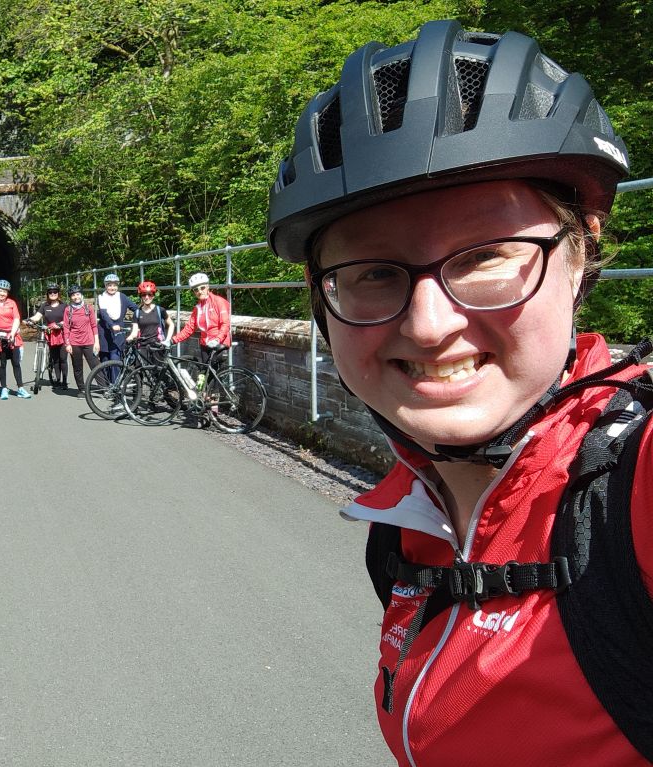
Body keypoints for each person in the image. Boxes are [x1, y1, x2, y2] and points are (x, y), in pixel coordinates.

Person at [266, 20, 649, 766]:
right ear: (321, 298)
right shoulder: (406, 525)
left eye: (485, 257)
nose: (431, 324)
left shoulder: (632, 493)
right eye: (374, 272)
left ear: (582, 255)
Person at [0, 279, 32, 399]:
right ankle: (3, 388)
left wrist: (13, 333)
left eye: (4, 291)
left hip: (11, 335)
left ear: (7, 293)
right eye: (0, 291)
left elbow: (17, 319)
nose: (2, 293)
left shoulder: (12, 303)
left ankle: (20, 388)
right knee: (2, 364)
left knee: (16, 363)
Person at [170, 272, 231, 366]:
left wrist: (217, 340)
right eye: (196, 290)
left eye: (202, 288)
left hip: (219, 344)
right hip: (205, 345)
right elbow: (189, 329)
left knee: (212, 374)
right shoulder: (198, 308)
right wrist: (172, 340)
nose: (199, 291)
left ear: (207, 287)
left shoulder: (219, 302)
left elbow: (225, 324)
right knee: (204, 375)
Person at [28, 283, 69, 389]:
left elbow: (68, 319)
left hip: (62, 334)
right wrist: (30, 320)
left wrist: (60, 324)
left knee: (63, 358)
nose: (53, 294)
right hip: (51, 334)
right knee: (55, 358)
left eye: (55, 292)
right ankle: (57, 381)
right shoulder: (44, 306)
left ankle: (64, 381)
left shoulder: (64, 305)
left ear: (58, 293)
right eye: (50, 292)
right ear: (47, 294)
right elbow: (37, 316)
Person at [62, 284, 100, 397]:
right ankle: (81, 389)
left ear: (81, 295)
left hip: (89, 341)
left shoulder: (88, 308)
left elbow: (94, 325)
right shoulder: (68, 310)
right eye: (73, 295)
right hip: (74, 343)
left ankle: (105, 387)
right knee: (77, 367)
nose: (76, 297)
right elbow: (66, 328)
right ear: (70, 297)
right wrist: (67, 344)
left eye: (77, 294)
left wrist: (96, 341)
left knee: (95, 365)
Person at [96, 273, 138, 372]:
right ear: (105, 286)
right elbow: (103, 314)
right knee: (105, 359)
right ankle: (106, 385)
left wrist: (140, 318)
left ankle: (116, 384)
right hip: (105, 331)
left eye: (115, 285)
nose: (112, 287)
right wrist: (112, 325)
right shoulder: (101, 297)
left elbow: (135, 308)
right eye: (109, 285)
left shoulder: (122, 296)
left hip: (118, 332)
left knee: (115, 358)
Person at [125, 280, 175, 362]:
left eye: (150, 294)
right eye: (144, 294)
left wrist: (167, 340)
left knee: (158, 373)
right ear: (141, 296)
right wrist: (129, 338)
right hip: (142, 347)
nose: (147, 297)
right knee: (141, 373)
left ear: (153, 296)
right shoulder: (137, 313)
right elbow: (134, 332)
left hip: (158, 346)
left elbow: (171, 324)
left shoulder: (160, 310)